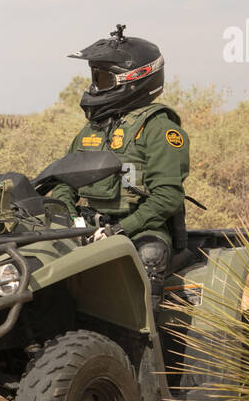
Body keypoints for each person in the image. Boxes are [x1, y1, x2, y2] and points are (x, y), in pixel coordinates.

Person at [48, 25, 190, 305]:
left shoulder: (159, 128)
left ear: (134, 80)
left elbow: (168, 196)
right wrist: (67, 217)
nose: (94, 87)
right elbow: (65, 181)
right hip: (92, 224)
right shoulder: (92, 130)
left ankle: (147, 338)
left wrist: (122, 229)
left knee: (149, 255)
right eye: (94, 78)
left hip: (142, 227)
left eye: (102, 79)